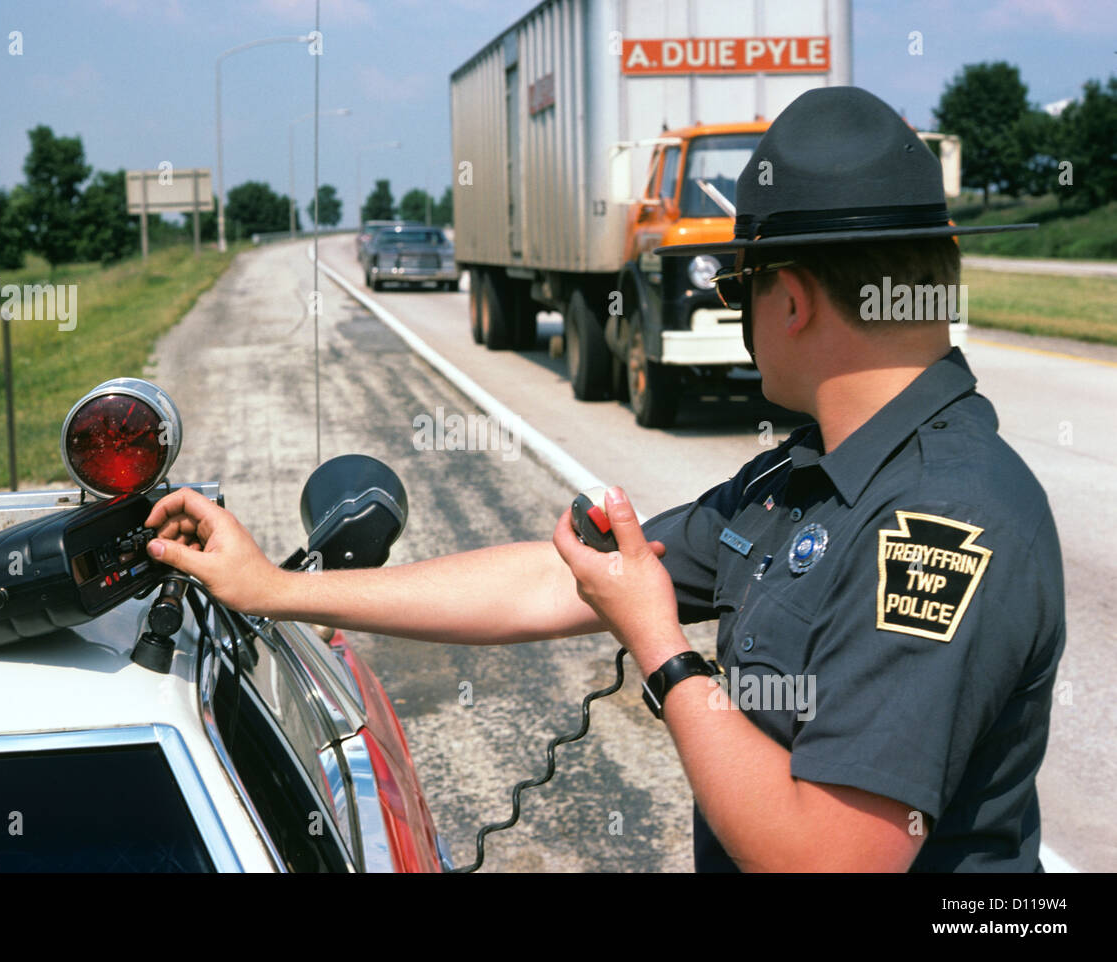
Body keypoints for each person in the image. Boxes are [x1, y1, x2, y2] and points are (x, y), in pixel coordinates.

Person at [144, 86, 1064, 872]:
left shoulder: (945, 518)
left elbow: (830, 854)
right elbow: (563, 575)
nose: (738, 312)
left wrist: (665, 657)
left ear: (792, 299)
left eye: (738, 289)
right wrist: (275, 588)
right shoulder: (802, 476)